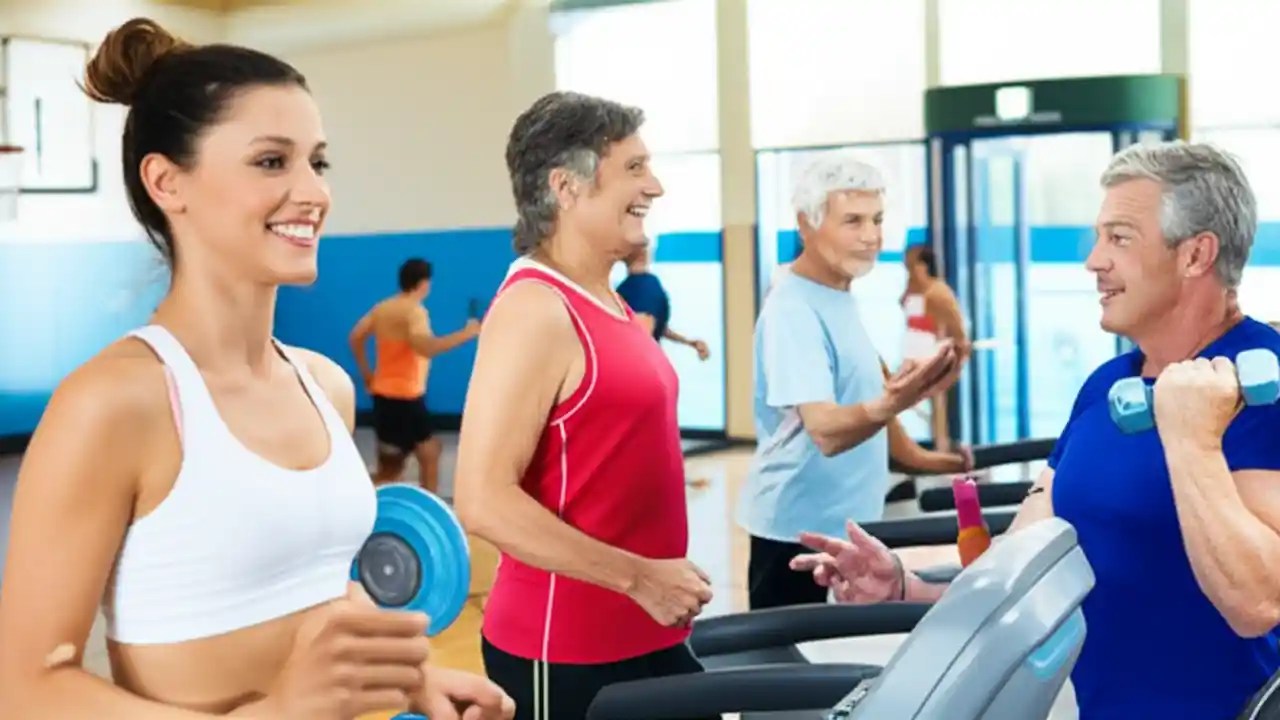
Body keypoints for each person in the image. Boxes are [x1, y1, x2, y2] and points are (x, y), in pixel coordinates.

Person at [0, 18, 511, 720]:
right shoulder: (115, 402)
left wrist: (416, 676)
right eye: (273, 162)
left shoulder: (324, 386)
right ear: (166, 182)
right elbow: (28, 688)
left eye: (317, 162)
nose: (314, 192)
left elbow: (321, 589)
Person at [793, 141, 1280, 719]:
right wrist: (905, 583)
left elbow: (1259, 599)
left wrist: (1192, 442)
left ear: (1196, 254)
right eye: (1099, 237)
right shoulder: (1107, 384)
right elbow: (1019, 566)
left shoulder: (1258, 386)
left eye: (1119, 238)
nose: (1094, 260)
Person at [453, 91, 714, 720]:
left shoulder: (611, 301)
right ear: (566, 187)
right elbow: (483, 498)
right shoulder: (534, 308)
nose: (654, 185)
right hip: (565, 651)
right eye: (633, 168)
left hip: (646, 630)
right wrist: (641, 577)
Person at [738, 153, 971, 611]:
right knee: (783, 673)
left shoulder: (839, 298)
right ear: (807, 224)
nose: (871, 237)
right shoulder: (794, 309)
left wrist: (951, 467)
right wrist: (894, 402)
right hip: (795, 532)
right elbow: (825, 430)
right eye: (853, 221)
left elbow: (881, 431)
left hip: (846, 528)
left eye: (877, 219)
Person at [348, 257, 480, 493]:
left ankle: (370, 499)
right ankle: (428, 504)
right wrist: (467, 333)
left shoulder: (383, 307)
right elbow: (426, 348)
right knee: (424, 454)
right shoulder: (414, 312)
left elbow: (356, 336)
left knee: (398, 463)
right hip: (406, 397)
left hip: (383, 394)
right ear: (424, 284)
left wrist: (368, 374)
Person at [900, 244, 969, 451]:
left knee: (937, 405)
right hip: (916, 351)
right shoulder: (916, 290)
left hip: (935, 352)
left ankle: (942, 448)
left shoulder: (939, 292)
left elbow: (956, 328)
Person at [616, 237, 711, 361]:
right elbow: (649, 328)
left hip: (641, 367)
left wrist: (688, 342)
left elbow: (647, 330)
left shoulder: (639, 287)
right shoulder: (640, 286)